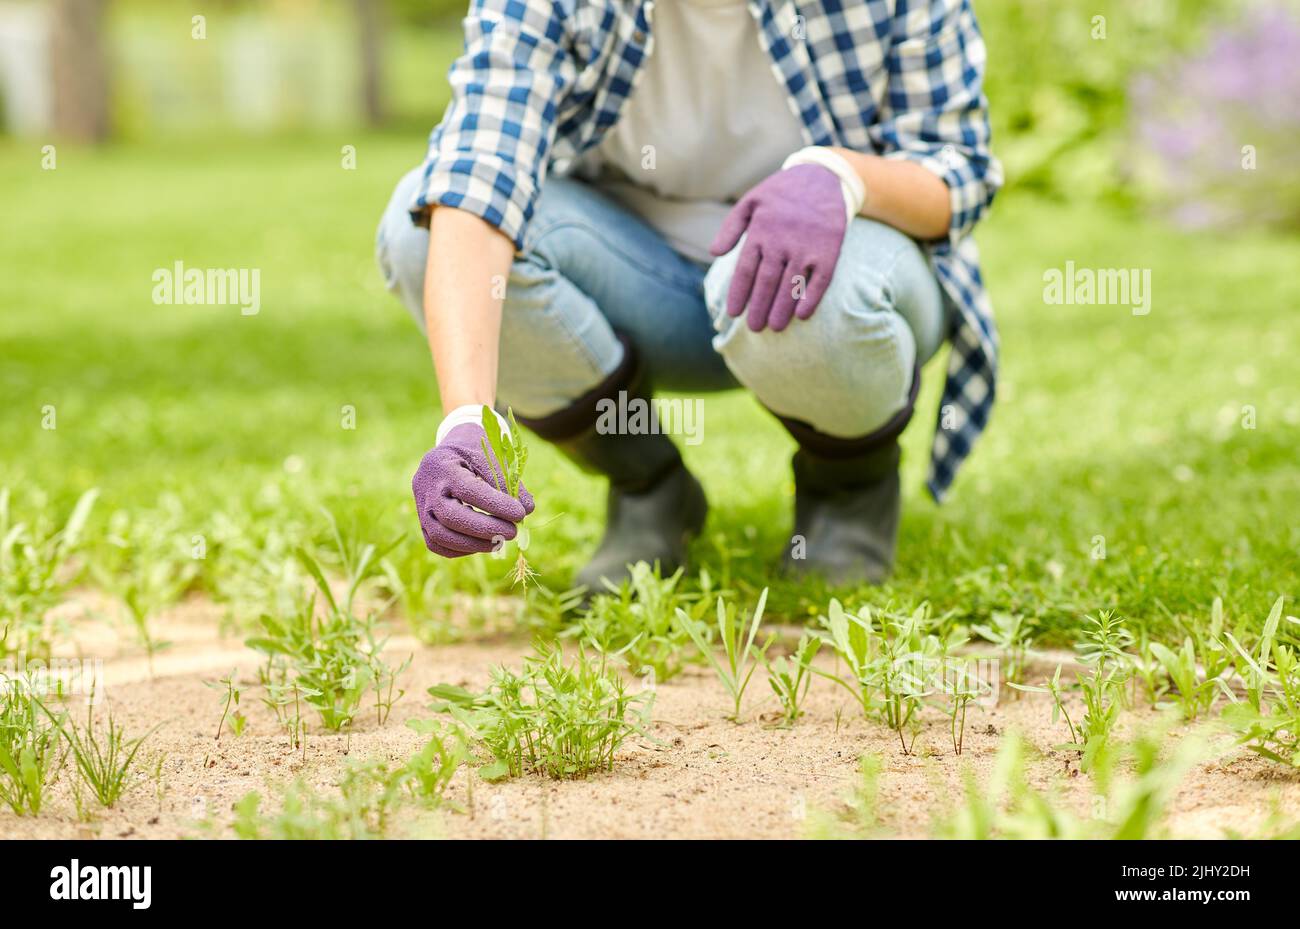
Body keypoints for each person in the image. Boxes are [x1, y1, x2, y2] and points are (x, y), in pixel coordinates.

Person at [376, 0, 1002, 590]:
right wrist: (467, 422)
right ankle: (650, 488)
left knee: (804, 278)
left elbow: (961, 171)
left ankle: (848, 494)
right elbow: (477, 176)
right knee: (422, 233)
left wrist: (844, 177)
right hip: (640, 279)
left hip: (842, 273)